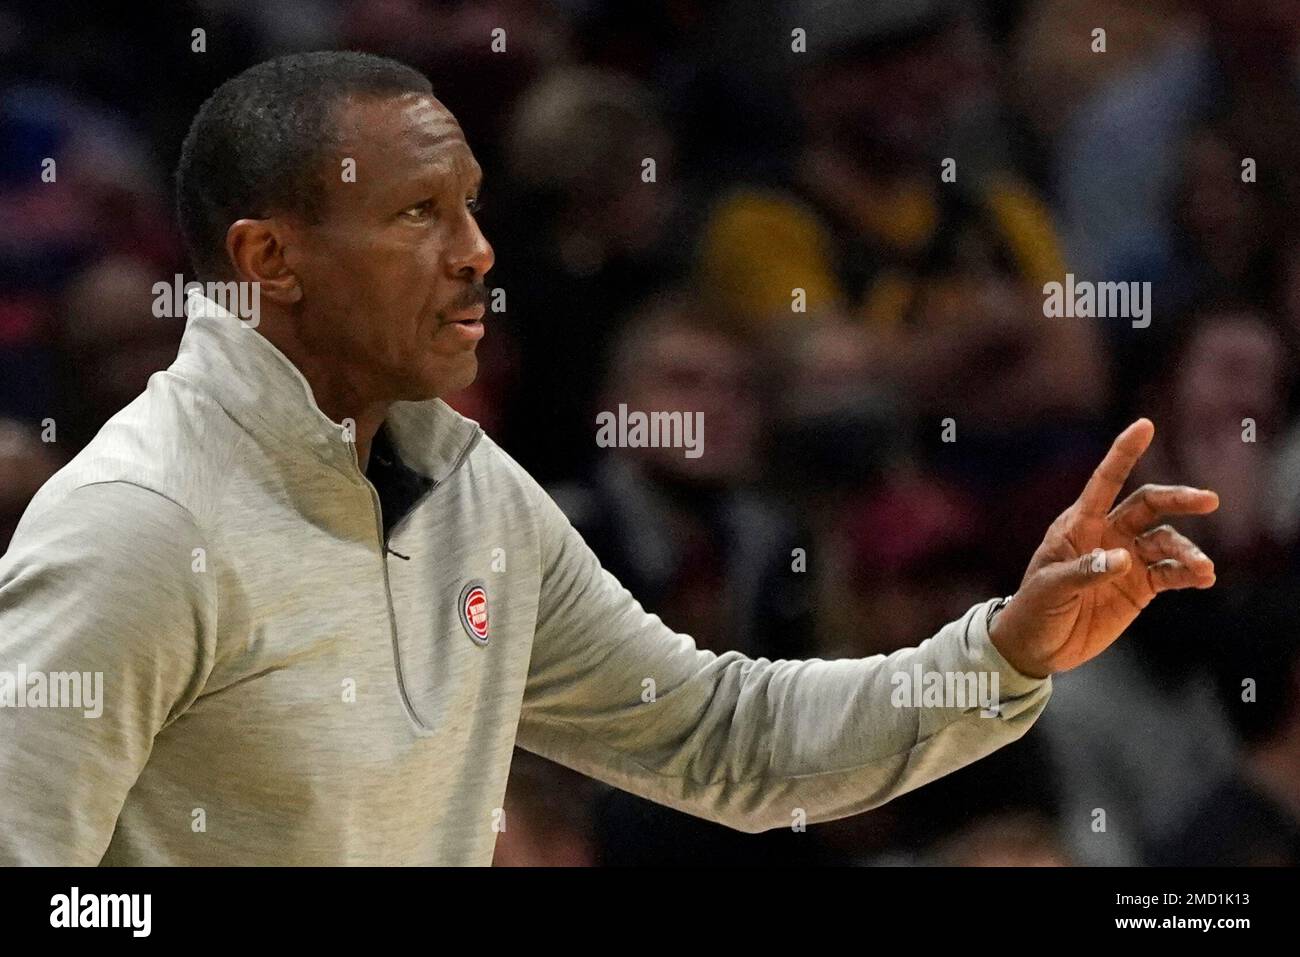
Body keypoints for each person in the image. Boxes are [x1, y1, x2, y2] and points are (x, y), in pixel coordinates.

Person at [0, 52, 1219, 865]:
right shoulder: (137, 525)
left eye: (473, 205)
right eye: (418, 214)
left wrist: (1000, 651)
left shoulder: (470, 491)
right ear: (270, 261)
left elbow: (713, 736)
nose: (478, 252)